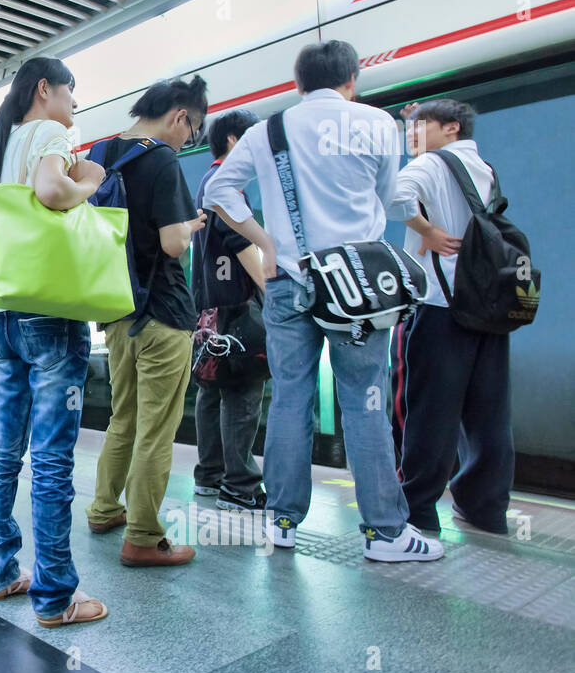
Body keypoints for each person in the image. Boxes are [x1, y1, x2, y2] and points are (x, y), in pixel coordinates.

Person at [205, 39, 444, 562]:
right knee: (365, 400)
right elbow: (388, 198)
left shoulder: (266, 131)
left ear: (298, 85)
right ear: (352, 80)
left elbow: (218, 191)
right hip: (358, 285)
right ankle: (385, 533)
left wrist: (266, 242)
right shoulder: (379, 123)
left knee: (291, 399)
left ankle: (283, 522)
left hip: (289, 281)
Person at [0, 57, 107, 627]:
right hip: (53, 313)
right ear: (45, 90)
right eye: (71, 92)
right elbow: (54, 190)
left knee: (3, 451)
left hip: (3, 314)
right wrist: (91, 180)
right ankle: (56, 597)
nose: (75, 105)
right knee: (53, 458)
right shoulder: (52, 133)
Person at [84, 76, 208, 569]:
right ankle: (142, 536)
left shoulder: (101, 152)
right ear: (180, 115)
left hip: (117, 309)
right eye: (192, 131)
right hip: (163, 312)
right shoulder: (161, 159)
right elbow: (173, 243)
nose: (188, 140)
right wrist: (193, 224)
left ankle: (103, 508)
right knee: (157, 429)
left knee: (123, 417)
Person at [389, 99, 512, 535]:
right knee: (488, 413)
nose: (413, 135)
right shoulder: (486, 169)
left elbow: (394, 193)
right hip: (488, 308)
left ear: (451, 127)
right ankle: (486, 510)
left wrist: (427, 231)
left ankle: (419, 510)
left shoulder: (432, 165)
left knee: (428, 412)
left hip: (440, 306)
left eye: (421, 126)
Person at [191, 108, 269, 511]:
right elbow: (241, 243)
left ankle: (210, 475)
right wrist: (268, 286)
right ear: (235, 141)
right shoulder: (227, 183)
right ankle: (240, 486)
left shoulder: (206, 180)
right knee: (242, 393)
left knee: (212, 391)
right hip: (235, 308)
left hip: (208, 308)